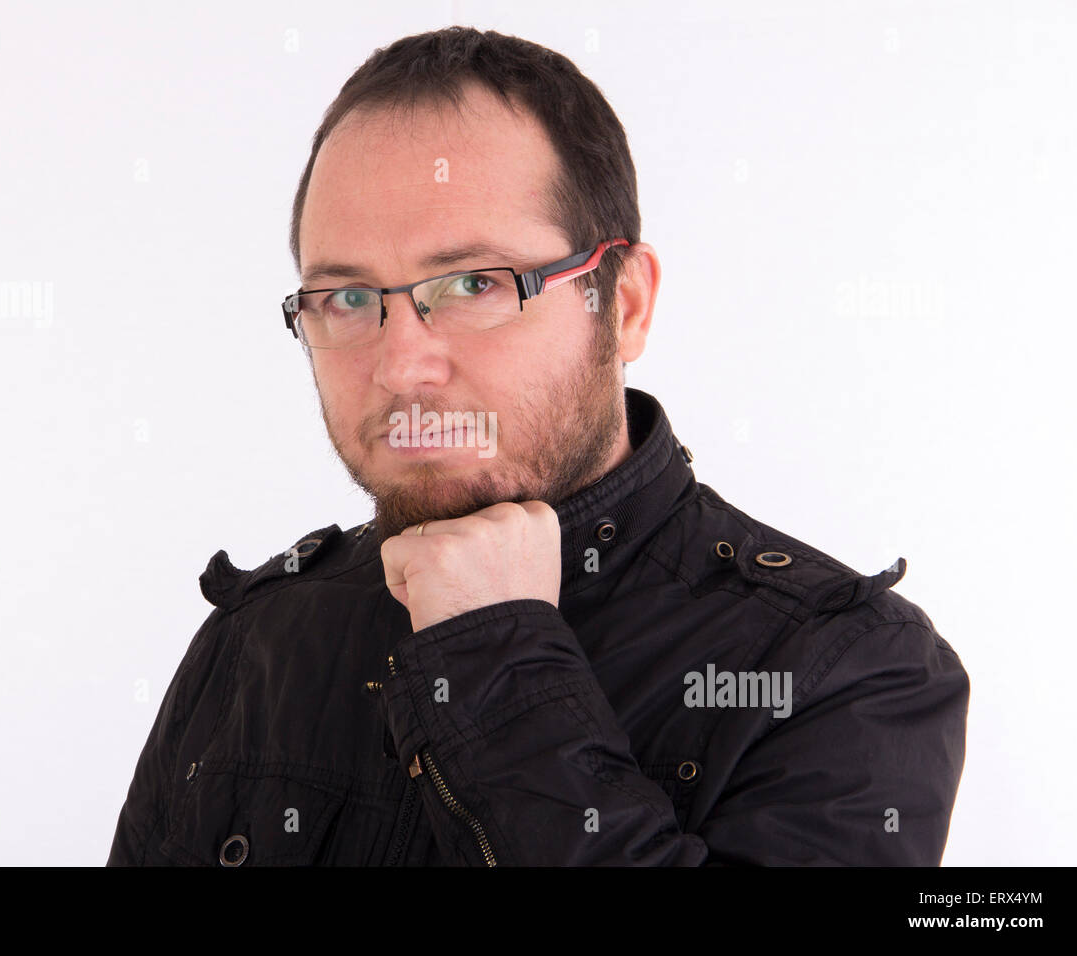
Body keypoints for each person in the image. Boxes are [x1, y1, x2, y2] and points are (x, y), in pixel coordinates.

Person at [106, 26, 969, 866]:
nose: (403, 364)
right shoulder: (257, 640)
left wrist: (495, 650)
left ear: (624, 303)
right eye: (346, 297)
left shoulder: (845, 672)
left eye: (477, 282)